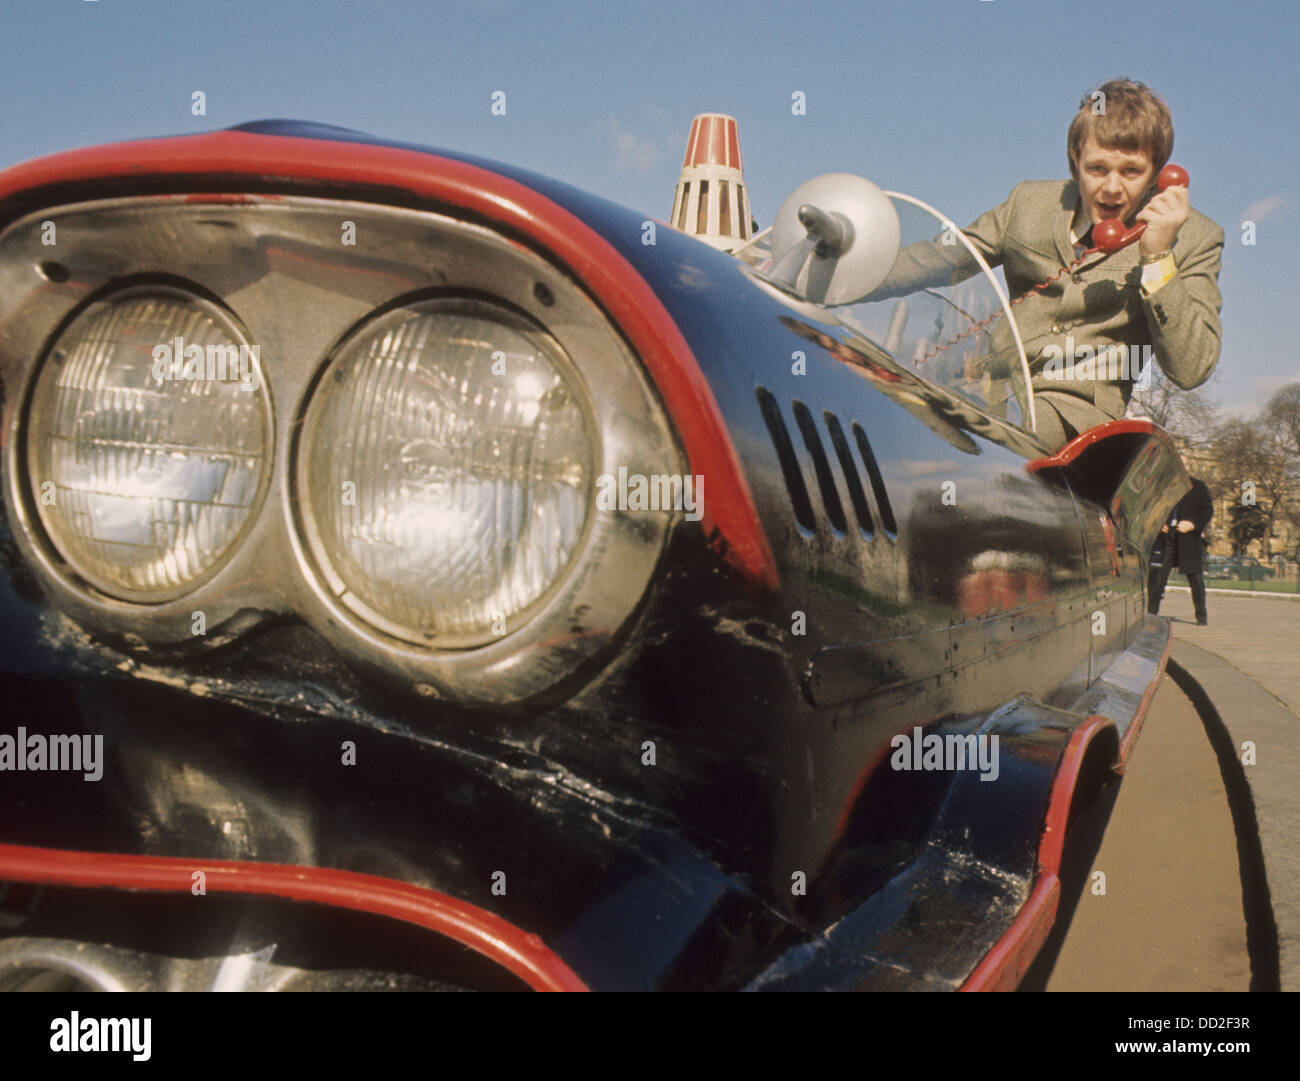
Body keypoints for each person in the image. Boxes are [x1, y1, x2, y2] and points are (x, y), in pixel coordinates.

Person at [869, 78, 1224, 451]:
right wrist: (839, 276)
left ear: (1159, 174)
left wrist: (1158, 258)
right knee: (888, 412)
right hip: (985, 391)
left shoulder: (1195, 238)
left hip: (1073, 421)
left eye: (1131, 172)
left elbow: (1191, 369)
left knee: (983, 438)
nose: (1112, 188)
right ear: (1075, 159)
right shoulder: (1029, 203)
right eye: (1098, 168)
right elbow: (942, 256)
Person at [1148, 476, 1213, 624]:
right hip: (1168, 537)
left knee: (1195, 579)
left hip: (1189, 538)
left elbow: (1207, 510)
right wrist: (1159, 523)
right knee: (1159, 578)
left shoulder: (1198, 486)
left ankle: (1201, 617)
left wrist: (1193, 524)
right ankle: (1151, 614)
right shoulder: (1164, 485)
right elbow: (1154, 507)